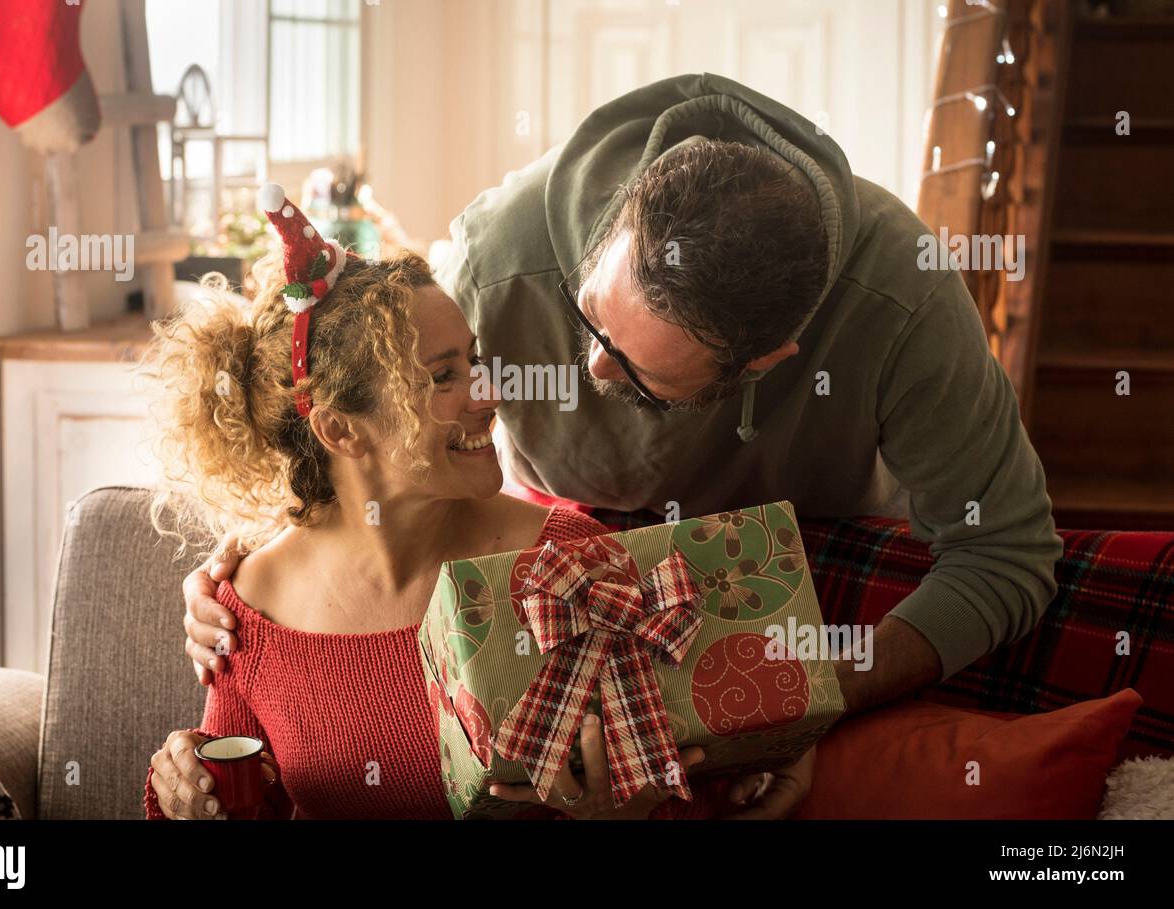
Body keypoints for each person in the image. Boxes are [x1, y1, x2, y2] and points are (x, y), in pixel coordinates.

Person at [185, 74, 1063, 730]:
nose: (594, 377)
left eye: (639, 374)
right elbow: (369, 431)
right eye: (590, 324)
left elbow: (1007, 552)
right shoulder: (501, 256)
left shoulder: (902, 299)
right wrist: (265, 560)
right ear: (615, 226)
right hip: (543, 600)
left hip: (804, 596)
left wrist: (814, 692)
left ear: (766, 361)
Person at [143, 186, 795, 820]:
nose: (489, 396)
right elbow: (239, 800)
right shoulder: (243, 609)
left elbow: (699, 780)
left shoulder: (567, 560)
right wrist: (183, 788)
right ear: (341, 430)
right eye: (445, 376)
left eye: (475, 362)